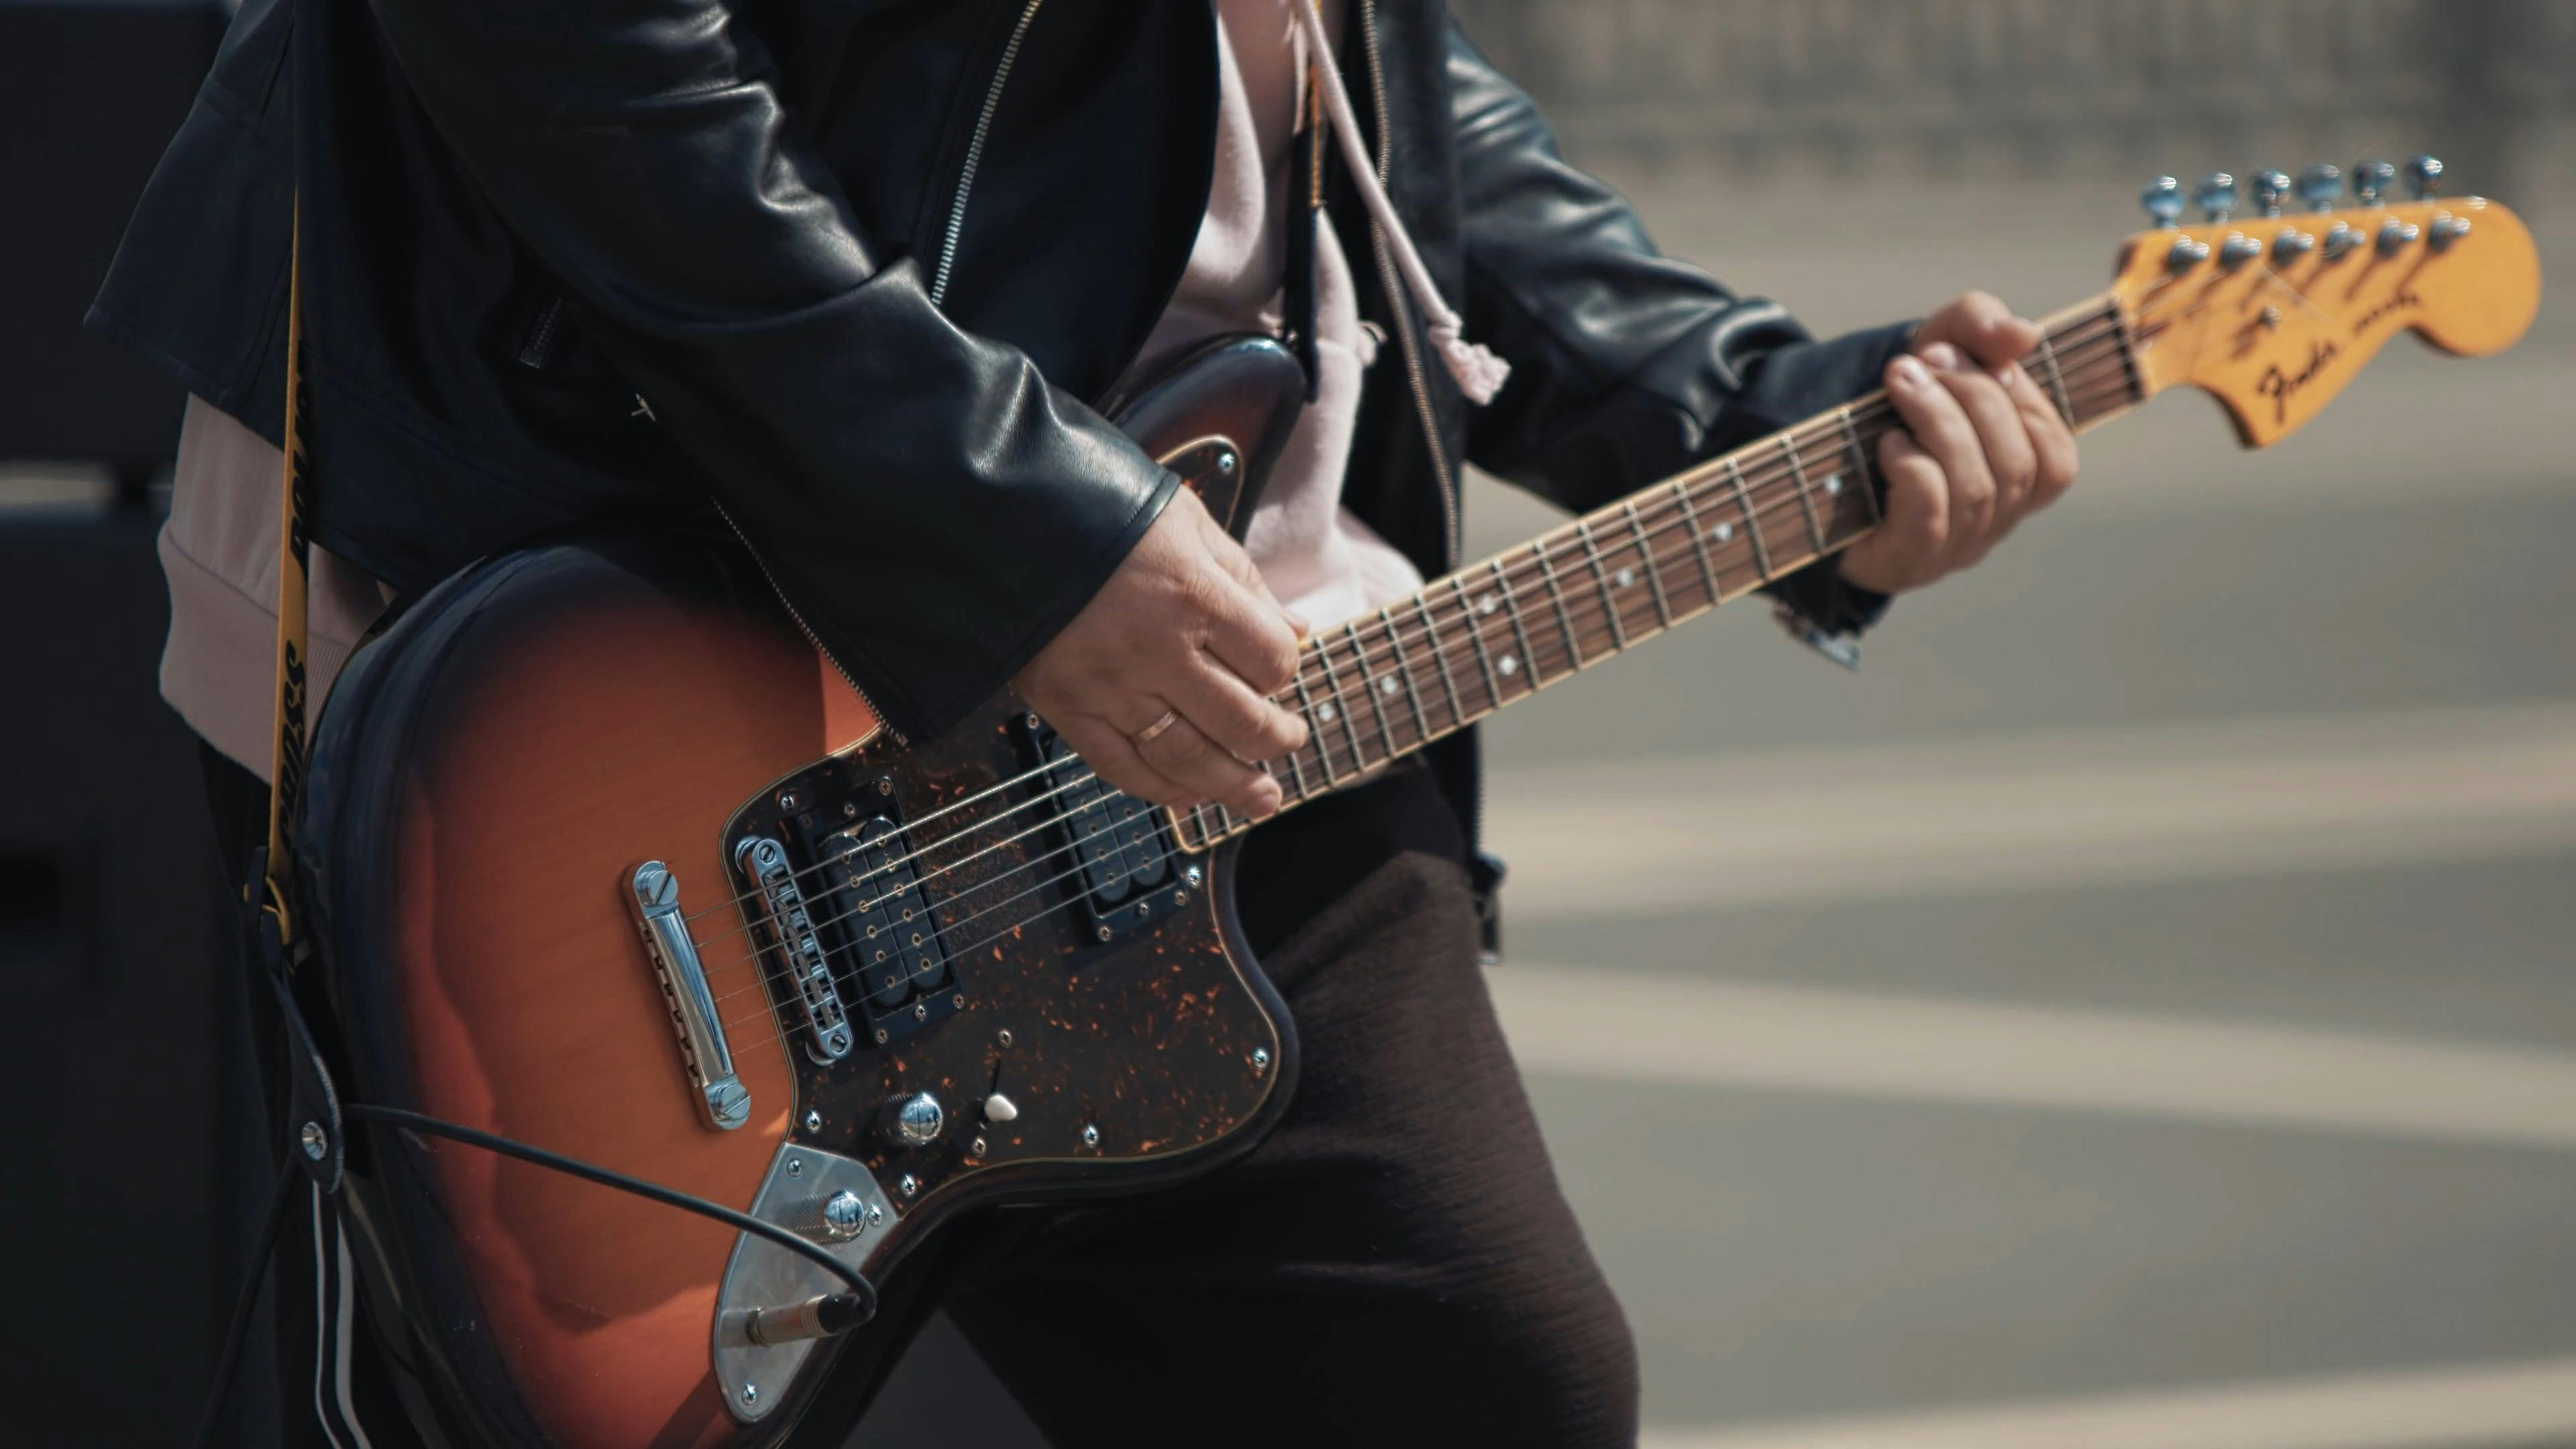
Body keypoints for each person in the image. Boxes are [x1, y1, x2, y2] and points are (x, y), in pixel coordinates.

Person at [95, 1, 2077, 1444]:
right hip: (634, 677)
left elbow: (1335, 72)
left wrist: (1748, 403)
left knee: (1472, 1389)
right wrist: (1007, 538)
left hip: (1206, 679)